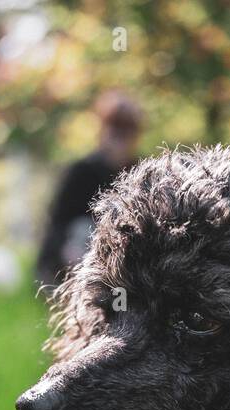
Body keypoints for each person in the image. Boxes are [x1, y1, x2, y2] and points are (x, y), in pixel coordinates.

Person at [35, 91, 143, 286]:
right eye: (115, 127)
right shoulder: (82, 171)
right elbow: (59, 224)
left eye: (126, 129)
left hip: (124, 258)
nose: (120, 137)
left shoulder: (140, 172)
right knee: (83, 230)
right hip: (79, 253)